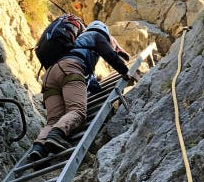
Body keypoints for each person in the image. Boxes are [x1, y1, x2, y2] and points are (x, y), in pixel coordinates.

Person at [29, 21, 136, 161]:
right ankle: (57, 134)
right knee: (77, 111)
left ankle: (39, 148)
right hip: (70, 69)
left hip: (49, 75)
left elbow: (89, 79)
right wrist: (124, 71)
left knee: (53, 120)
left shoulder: (75, 43)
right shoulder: (95, 35)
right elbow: (109, 54)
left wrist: (96, 87)